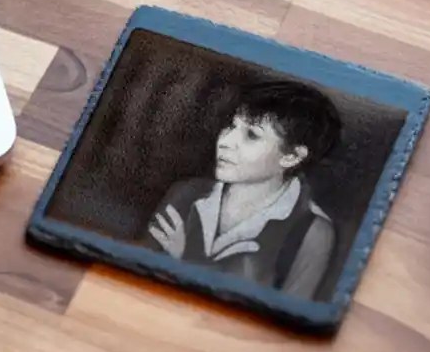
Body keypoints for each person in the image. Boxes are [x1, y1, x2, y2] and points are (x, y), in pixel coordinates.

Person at [146, 80, 342, 300]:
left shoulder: (312, 232)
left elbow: (283, 321)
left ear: (292, 156)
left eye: (252, 135)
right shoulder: (187, 194)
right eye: (231, 125)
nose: (226, 141)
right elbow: (136, 276)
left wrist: (186, 262)